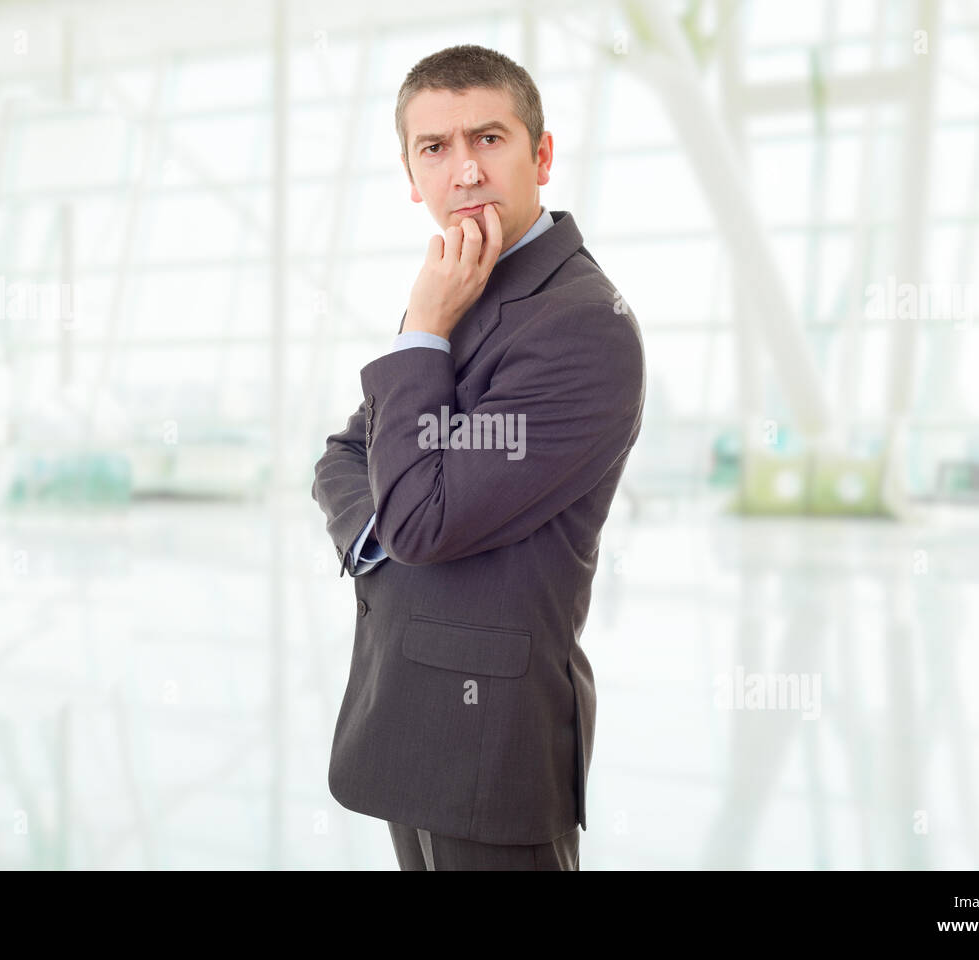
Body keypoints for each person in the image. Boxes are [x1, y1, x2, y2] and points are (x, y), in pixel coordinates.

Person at [310, 43, 645, 871]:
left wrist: (422, 330)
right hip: (408, 712)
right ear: (410, 172)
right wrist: (387, 520)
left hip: (492, 741)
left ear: (542, 154)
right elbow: (345, 454)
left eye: (488, 139)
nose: (463, 172)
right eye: (436, 148)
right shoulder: (464, 282)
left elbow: (424, 515)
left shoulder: (579, 325)